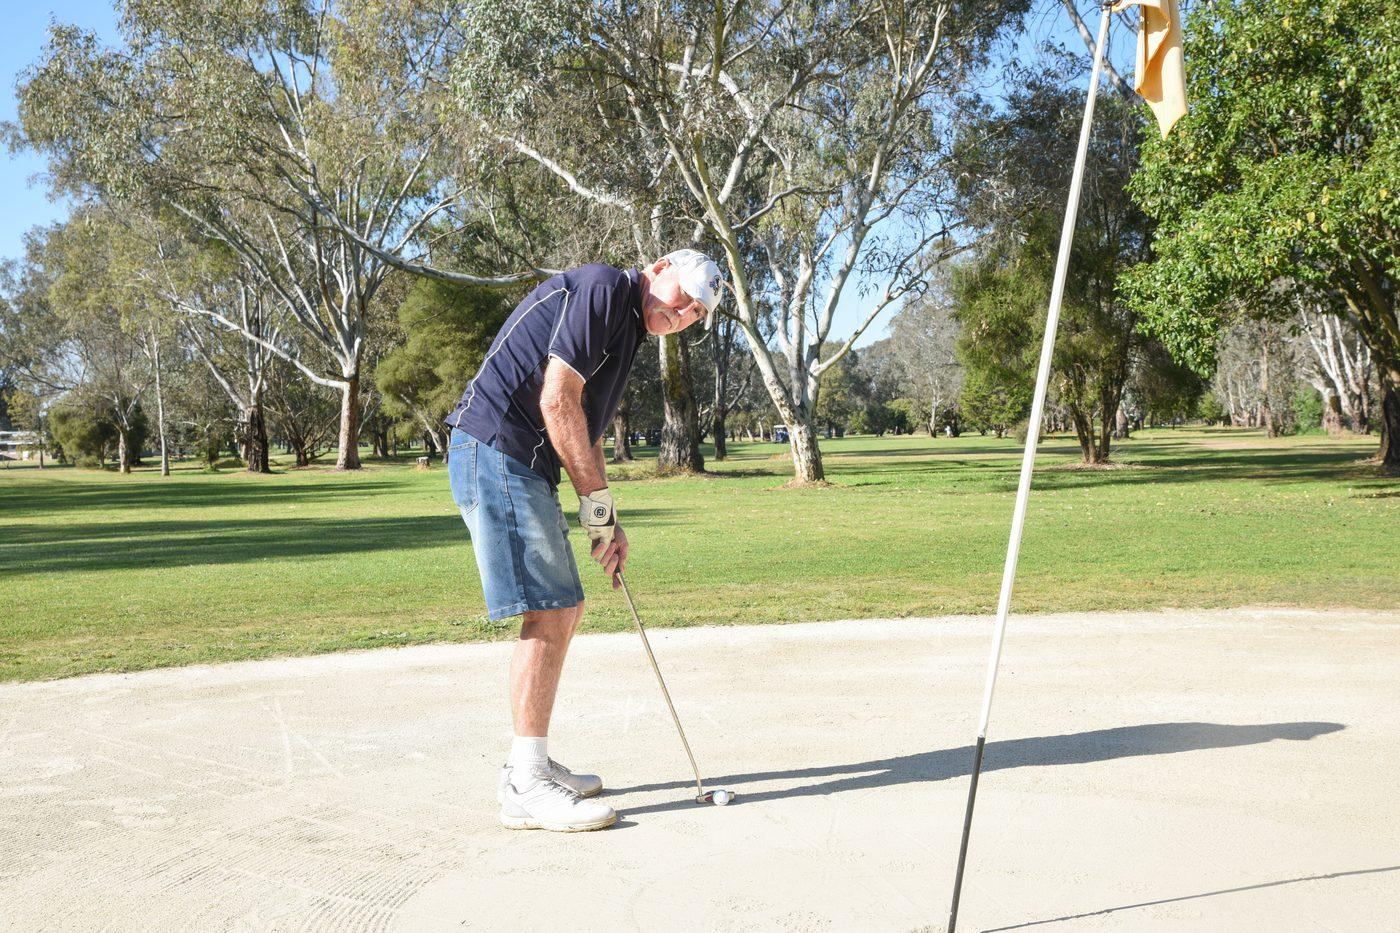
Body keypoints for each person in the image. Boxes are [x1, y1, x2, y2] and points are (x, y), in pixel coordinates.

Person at [442, 249, 724, 832]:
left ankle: (529, 763)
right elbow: (555, 399)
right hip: (496, 450)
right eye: (685, 297)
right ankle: (527, 784)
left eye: (697, 313)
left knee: (562, 609)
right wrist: (595, 506)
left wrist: (604, 523)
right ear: (660, 265)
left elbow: (585, 432)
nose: (685, 314)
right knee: (552, 608)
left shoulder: (625, 329)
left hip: (520, 462)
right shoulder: (603, 290)